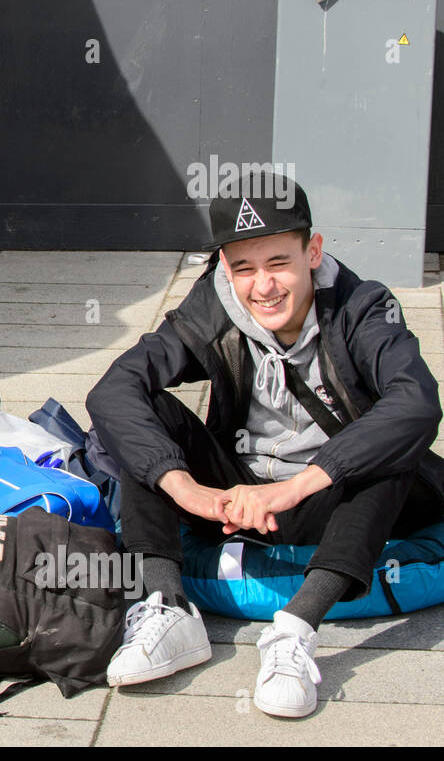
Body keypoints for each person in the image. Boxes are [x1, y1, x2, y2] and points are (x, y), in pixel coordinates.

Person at [86, 174, 444, 718]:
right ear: (225, 268)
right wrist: (187, 489)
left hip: (335, 497)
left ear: (313, 251)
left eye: (279, 263)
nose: (263, 287)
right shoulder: (212, 307)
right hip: (240, 499)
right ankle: (168, 608)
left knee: (388, 442)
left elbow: (417, 401)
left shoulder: (363, 308)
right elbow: (114, 389)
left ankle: (296, 631)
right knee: (143, 417)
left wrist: (299, 486)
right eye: (244, 268)